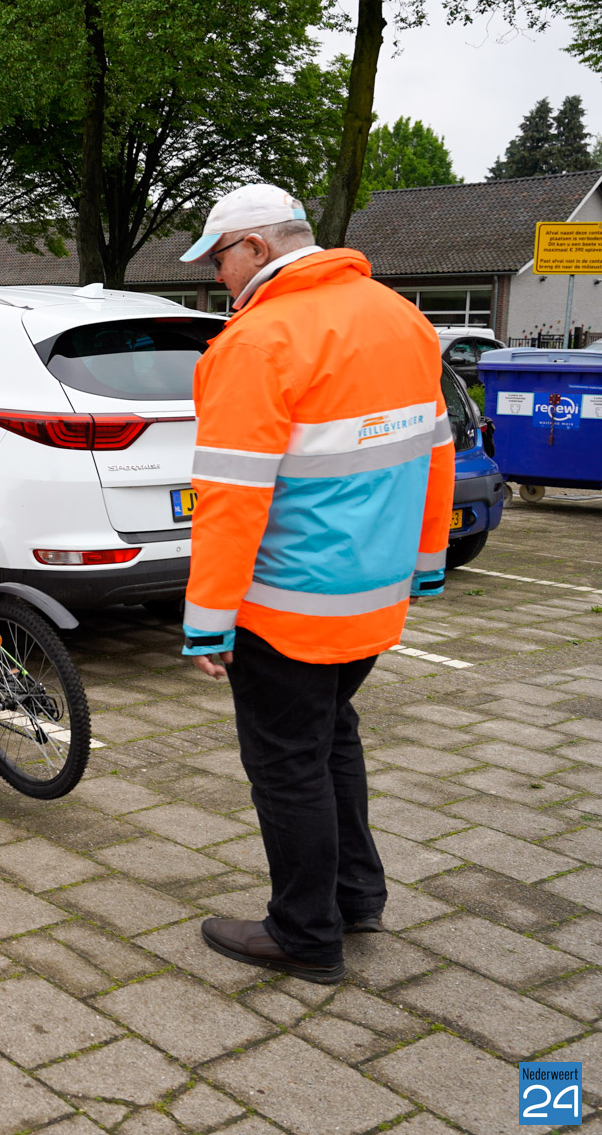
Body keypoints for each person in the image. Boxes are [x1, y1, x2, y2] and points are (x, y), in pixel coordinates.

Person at [179, 183, 452, 984]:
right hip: (375, 595)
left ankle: (304, 934)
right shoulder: (401, 317)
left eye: (219, 259)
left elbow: (231, 497)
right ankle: (356, 897)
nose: (217, 277)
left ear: (257, 247)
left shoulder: (257, 341)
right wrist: (428, 563)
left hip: (287, 603)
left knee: (287, 764)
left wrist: (207, 619)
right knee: (332, 738)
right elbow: (436, 452)